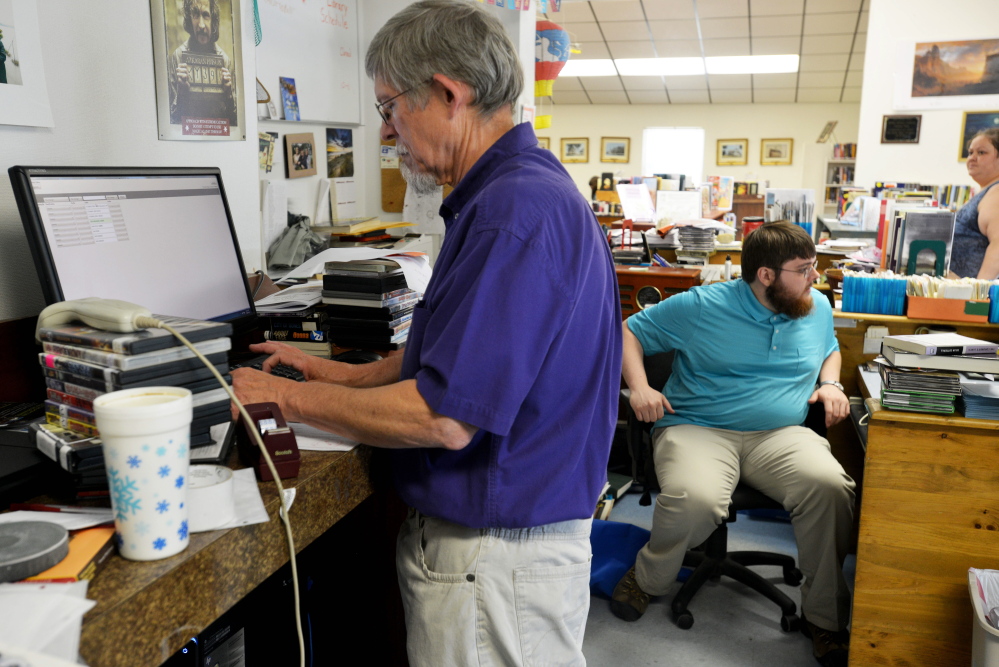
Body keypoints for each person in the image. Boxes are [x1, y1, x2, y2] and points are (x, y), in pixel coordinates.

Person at [231, 1, 622, 664]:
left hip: (494, 558)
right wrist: (337, 373)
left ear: (447, 92)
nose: (386, 131)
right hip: (505, 548)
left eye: (389, 108)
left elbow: (444, 416)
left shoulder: (511, 211)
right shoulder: (523, 188)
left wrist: (282, 398)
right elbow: (455, 357)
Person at [610, 222, 855, 667]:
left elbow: (830, 347)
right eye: (803, 269)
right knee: (695, 499)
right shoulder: (703, 305)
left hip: (780, 434)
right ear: (766, 275)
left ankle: (824, 616)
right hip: (699, 427)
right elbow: (628, 332)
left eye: (814, 266)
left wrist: (832, 382)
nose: (815, 277)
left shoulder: (814, 305)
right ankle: (648, 578)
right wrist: (641, 387)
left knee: (830, 488)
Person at [167, 0, 236, 126]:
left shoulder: (225, 60)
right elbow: (172, 120)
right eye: (195, 15)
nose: (201, 25)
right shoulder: (178, 57)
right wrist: (181, 94)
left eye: (205, 15)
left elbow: (233, 122)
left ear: (213, 19)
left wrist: (228, 96)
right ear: (189, 19)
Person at [951, 128, 999, 279]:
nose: (972, 158)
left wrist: (978, 292)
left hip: (971, 295)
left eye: (981, 152)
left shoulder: (996, 192)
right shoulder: (986, 191)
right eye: (970, 152)